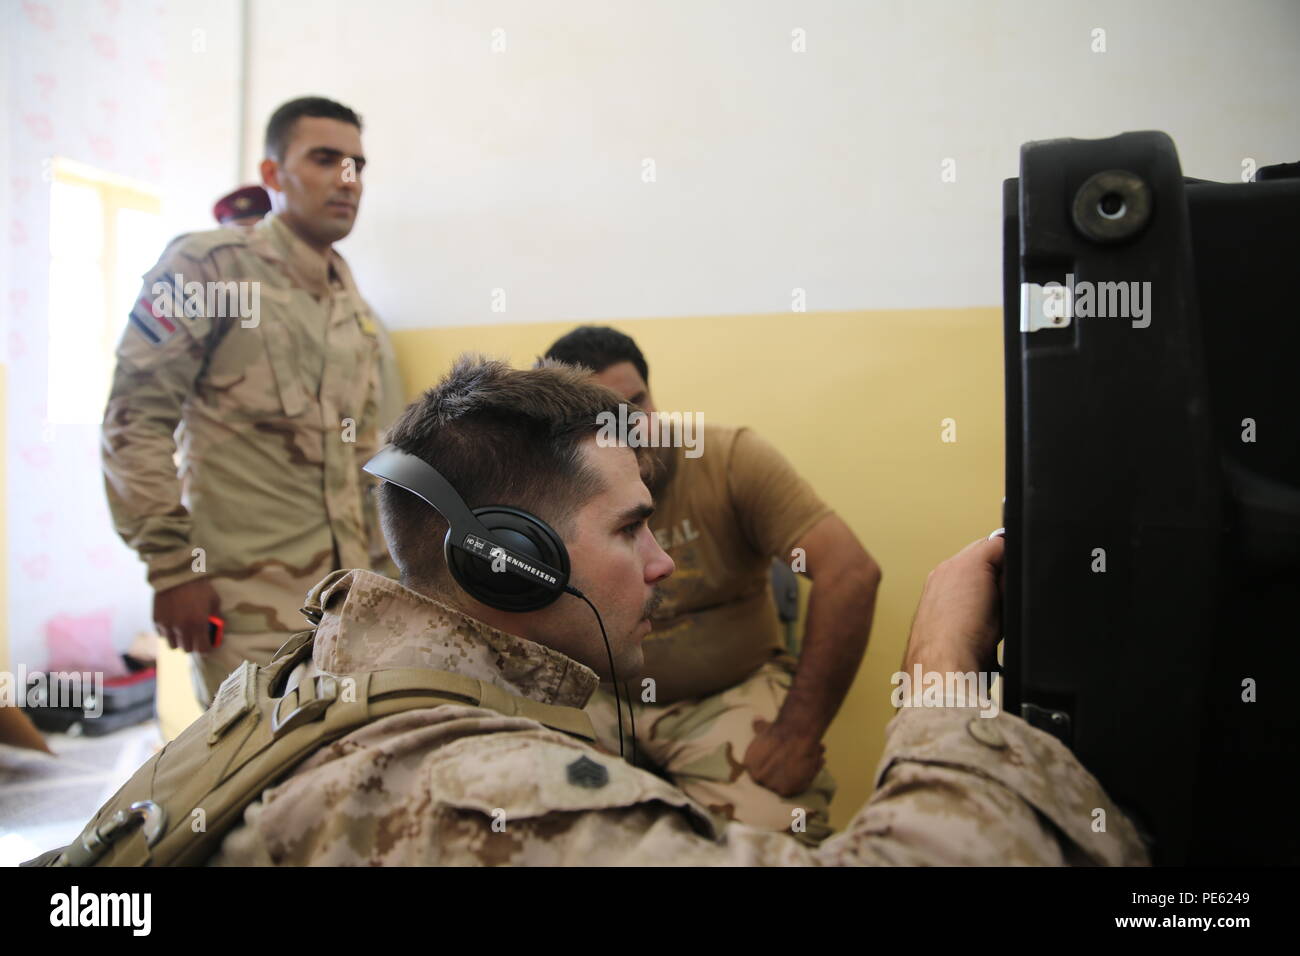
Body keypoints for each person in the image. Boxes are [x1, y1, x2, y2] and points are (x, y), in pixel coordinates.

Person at [36, 357, 1146, 866]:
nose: (664, 564)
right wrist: (944, 666)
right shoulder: (487, 793)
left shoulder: (296, 685)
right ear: (506, 562)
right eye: (628, 531)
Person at [102, 96, 404, 708]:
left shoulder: (352, 304)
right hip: (244, 604)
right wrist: (172, 569)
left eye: (358, 165)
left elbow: (365, 458)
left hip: (349, 598)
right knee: (251, 781)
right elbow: (134, 423)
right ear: (272, 175)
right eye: (325, 159)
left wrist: (390, 578)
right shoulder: (207, 269)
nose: (348, 181)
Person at [542, 326, 881, 843]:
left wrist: (799, 732)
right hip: (598, 699)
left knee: (781, 837)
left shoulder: (729, 460)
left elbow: (850, 572)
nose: (634, 427)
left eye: (638, 403)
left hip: (725, 696)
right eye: (605, 420)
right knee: (536, 828)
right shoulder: (549, 488)